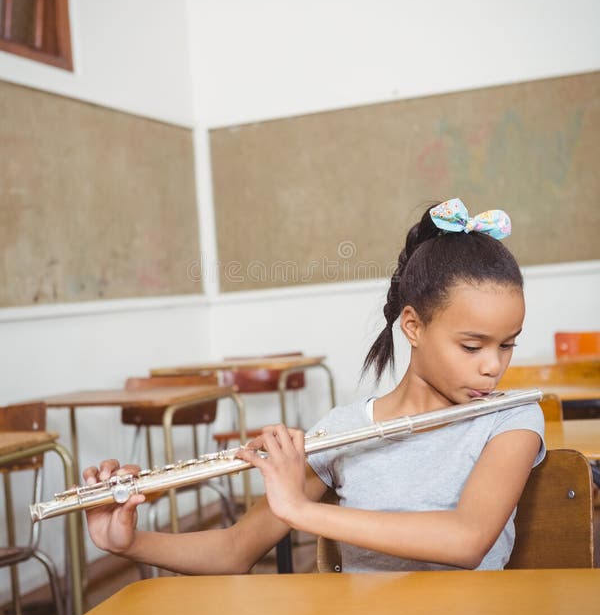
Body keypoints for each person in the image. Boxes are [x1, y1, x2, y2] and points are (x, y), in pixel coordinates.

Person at [84, 198, 545, 573]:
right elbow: (234, 550)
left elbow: (467, 540)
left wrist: (301, 510)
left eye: (507, 345)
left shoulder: (512, 419)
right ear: (413, 326)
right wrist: (128, 543)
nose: (493, 366)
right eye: (472, 346)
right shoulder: (343, 431)